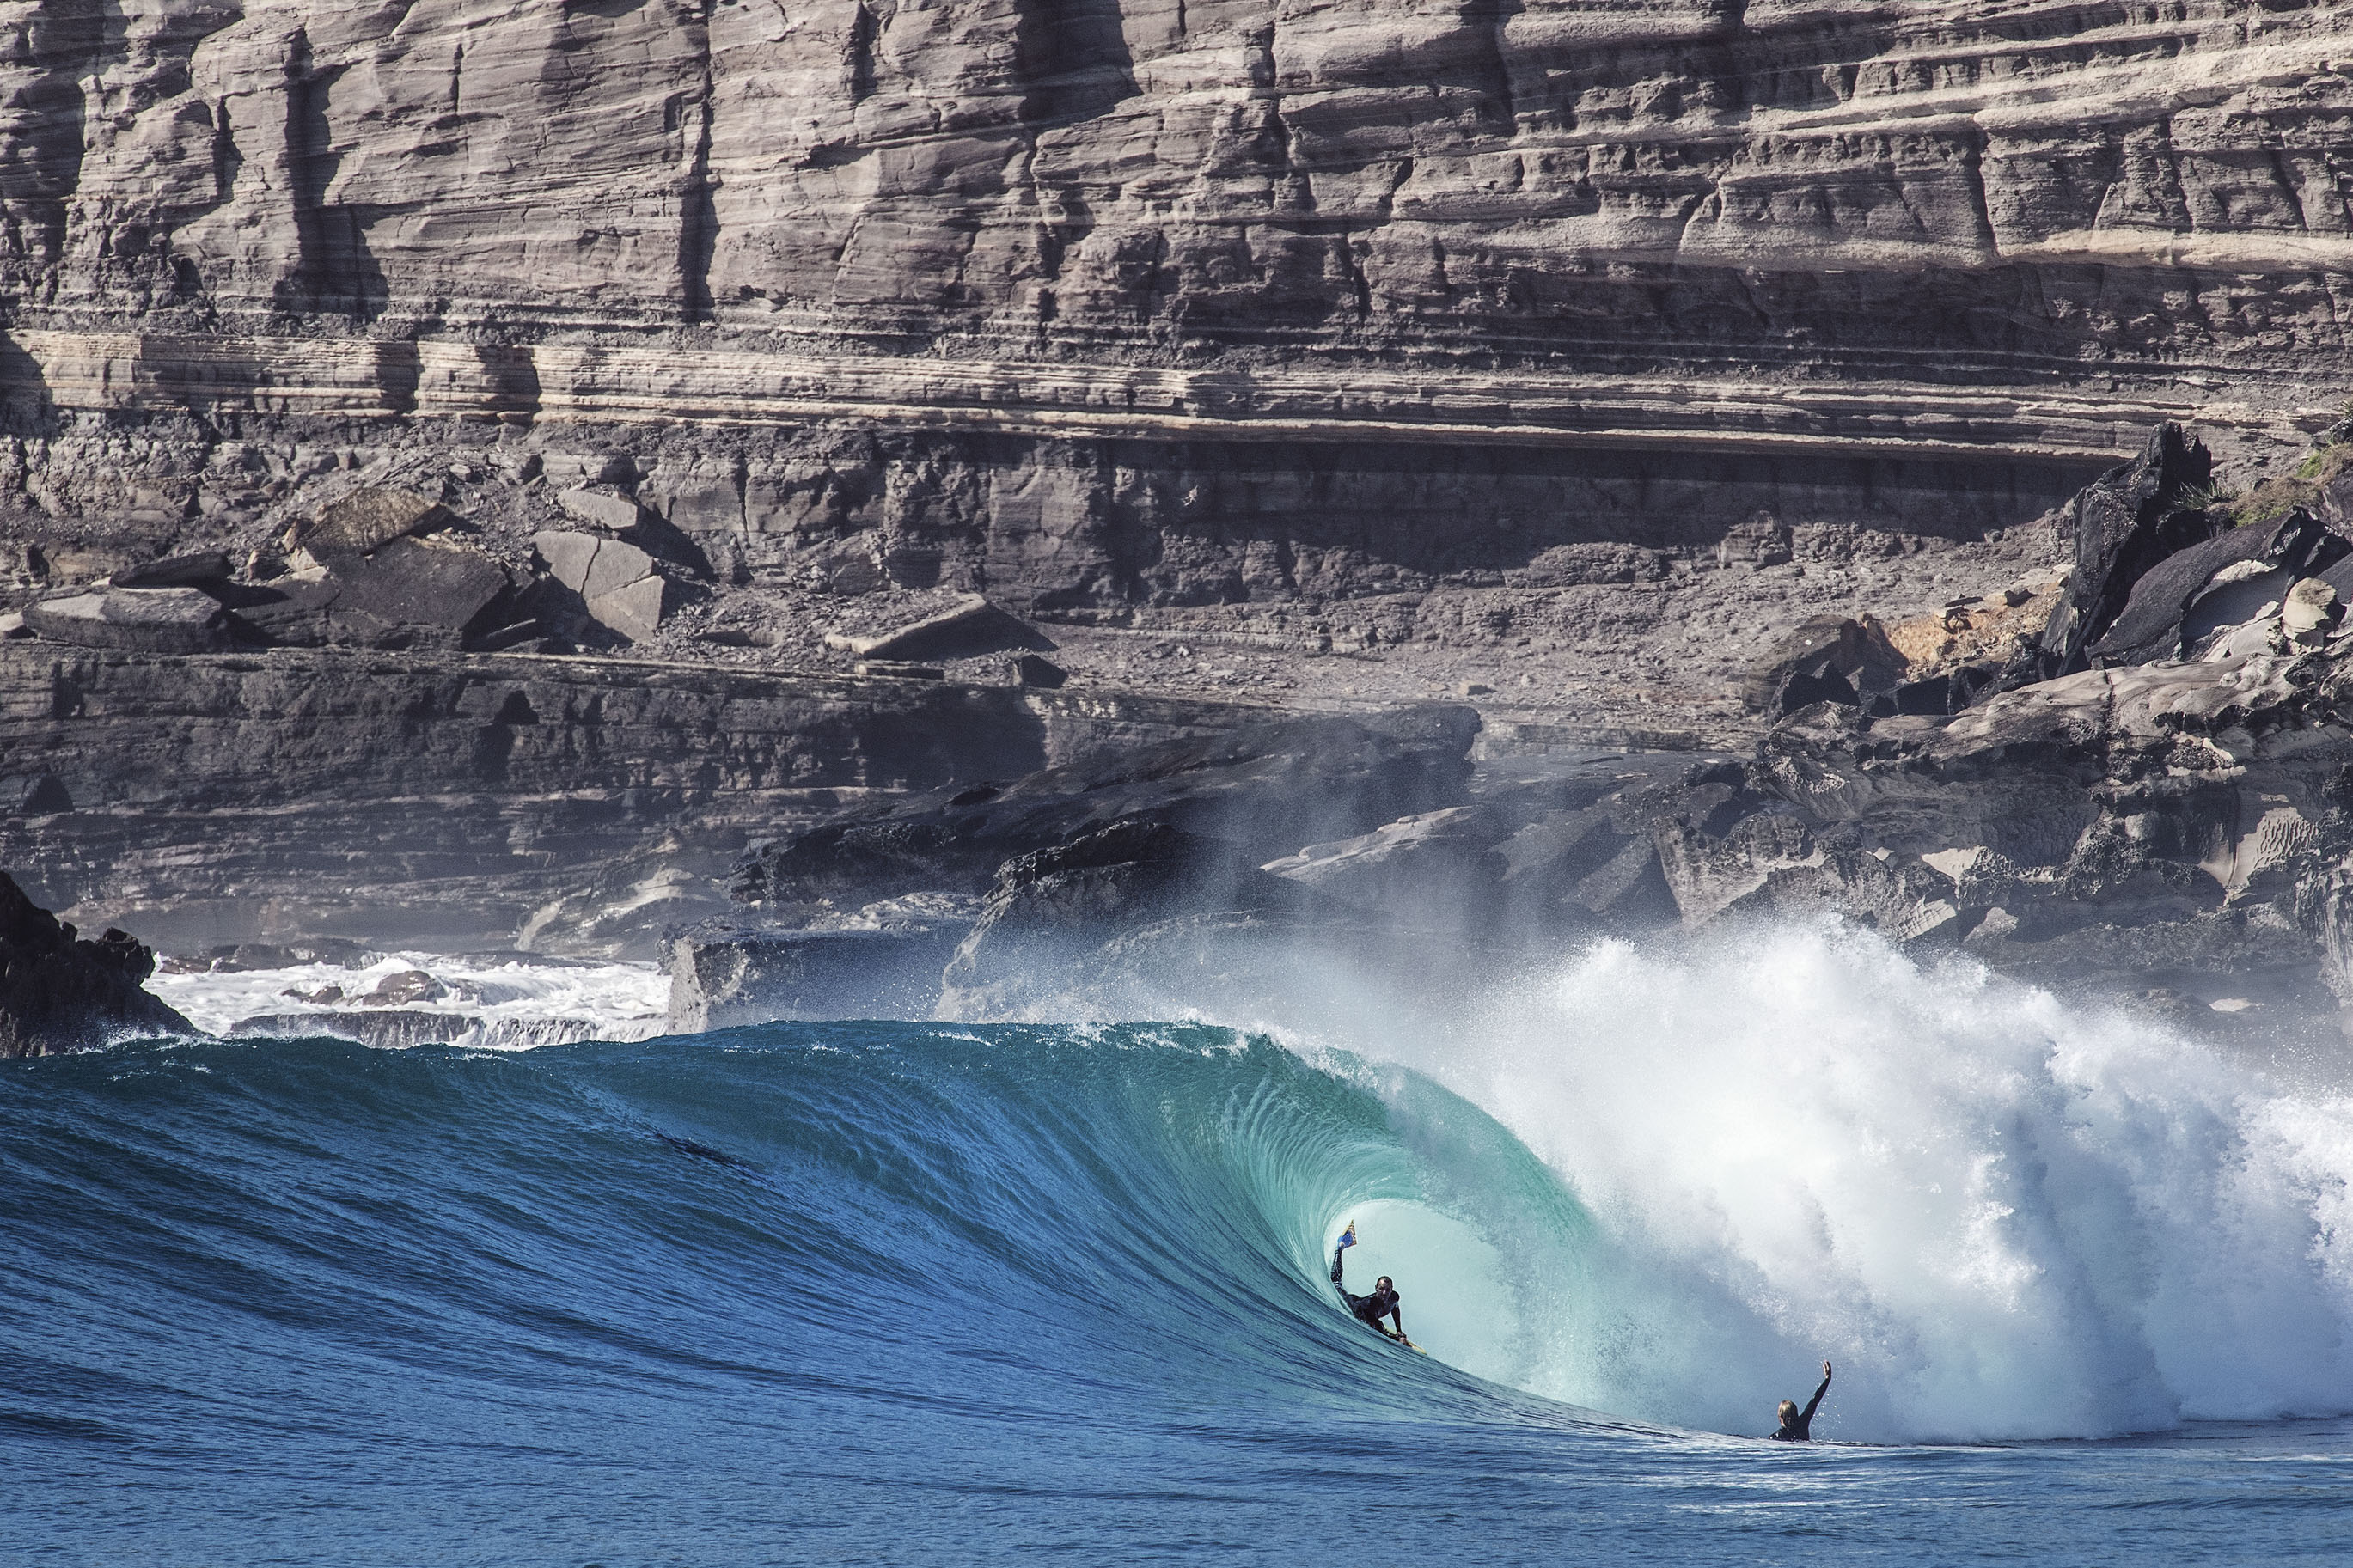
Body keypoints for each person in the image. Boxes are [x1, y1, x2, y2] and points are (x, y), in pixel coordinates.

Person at [1329, 1225, 1414, 1348]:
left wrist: (1399, 1330)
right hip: (1353, 1303)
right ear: (1376, 1288)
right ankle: (1340, 1248)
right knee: (1336, 1284)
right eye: (1382, 1289)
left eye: (1388, 1290)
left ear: (1392, 1290)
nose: (1385, 1293)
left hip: (1365, 1307)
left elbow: (1395, 1308)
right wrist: (1397, 1339)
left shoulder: (1394, 1297)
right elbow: (1380, 1331)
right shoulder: (1368, 1307)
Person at [1771, 1361, 1833, 1441]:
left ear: (1780, 1416)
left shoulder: (1775, 1437)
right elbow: (1815, 1400)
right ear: (1795, 1412)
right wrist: (1827, 1379)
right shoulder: (1803, 1422)